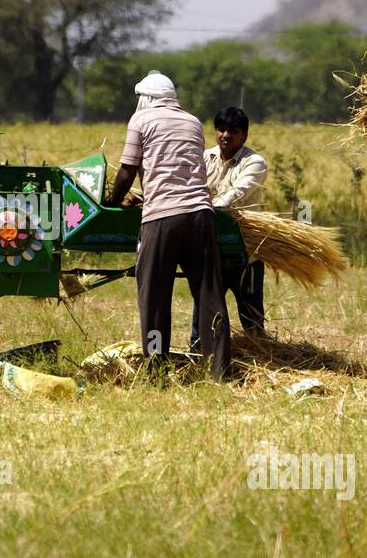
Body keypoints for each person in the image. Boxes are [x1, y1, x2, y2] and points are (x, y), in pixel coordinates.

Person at [108, 71, 230, 380]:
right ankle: (219, 371)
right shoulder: (192, 122)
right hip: (201, 216)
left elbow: (126, 170)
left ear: (146, 99)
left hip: (163, 217)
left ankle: (156, 367)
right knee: (209, 294)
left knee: (154, 295)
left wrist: (111, 201)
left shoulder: (141, 121)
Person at [190, 107, 269, 345]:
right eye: (221, 129)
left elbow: (237, 193)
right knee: (205, 310)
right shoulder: (204, 158)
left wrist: (206, 209)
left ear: (244, 135)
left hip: (245, 252)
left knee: (251, 315)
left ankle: (261, 354)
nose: (225, 135)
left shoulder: (255, 162)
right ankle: (198, 351)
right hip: (211, 248)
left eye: (233, 131)